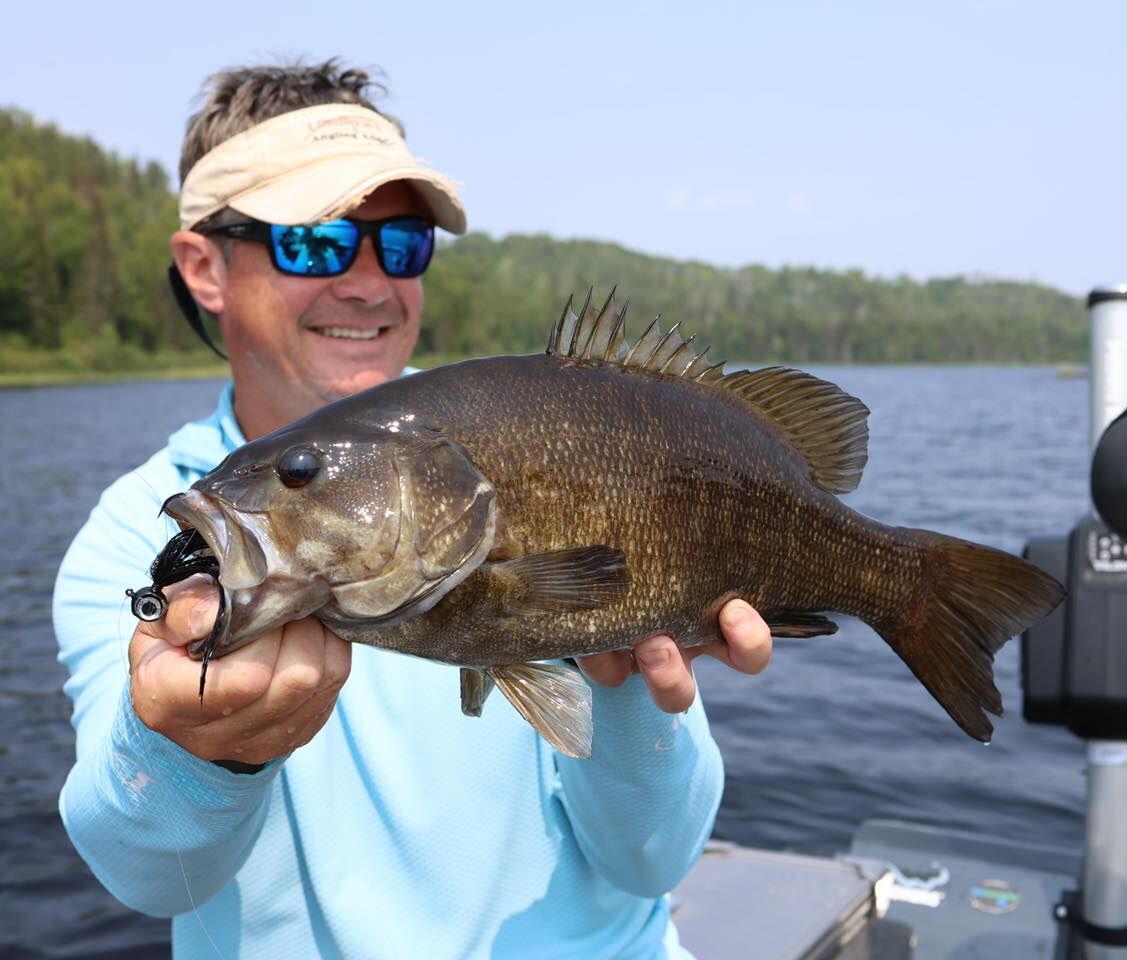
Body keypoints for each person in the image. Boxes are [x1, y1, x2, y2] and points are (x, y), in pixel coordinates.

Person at [54, 60, 773, 959]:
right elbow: (146, 875)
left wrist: (627, 694)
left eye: (400, 246)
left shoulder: (540, 450)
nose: (367, 283)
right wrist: (193, 755)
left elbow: (651, 861)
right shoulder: (138, 535)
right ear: (204, 265)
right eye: (314, 243)